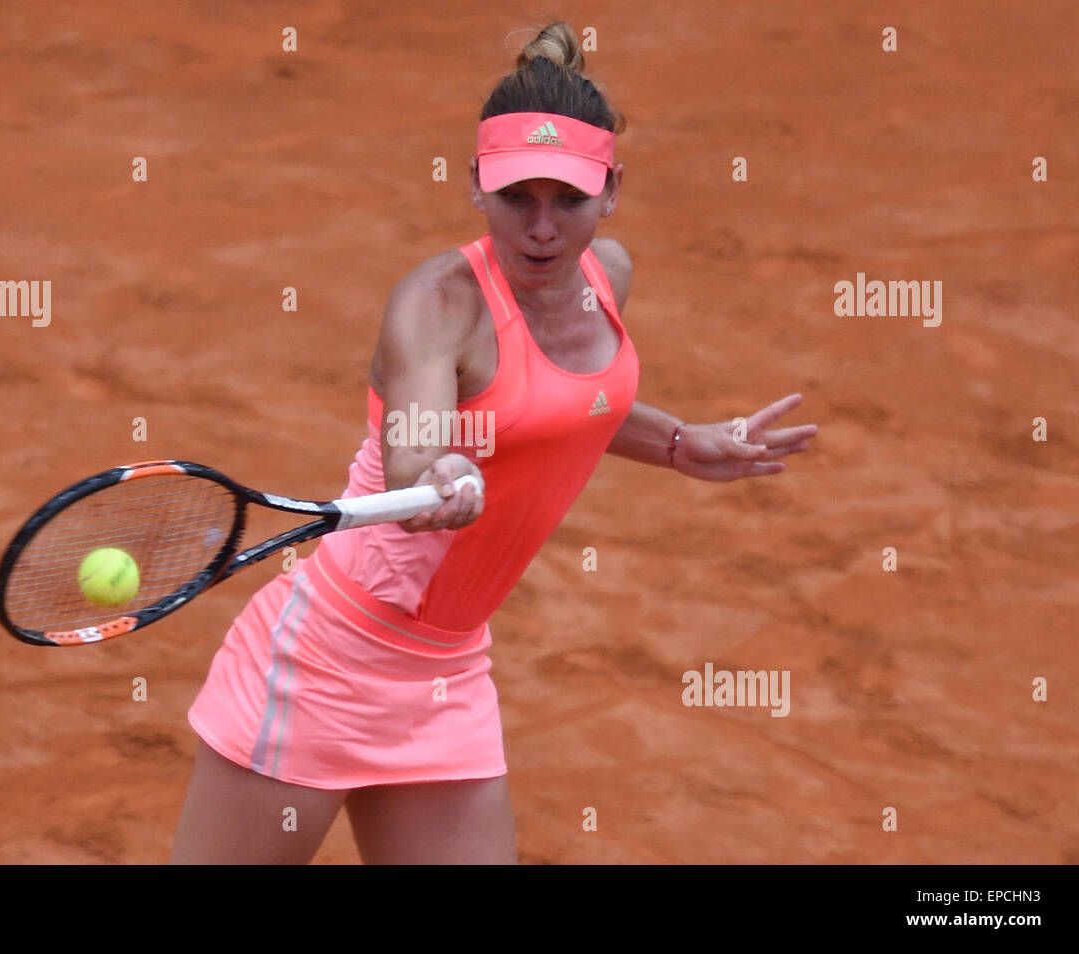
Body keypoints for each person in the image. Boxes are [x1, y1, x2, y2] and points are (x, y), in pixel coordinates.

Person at [172, 21, 818, 865]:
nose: (542, 228)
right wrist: (436, 470)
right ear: (477, 186)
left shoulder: (605, 278)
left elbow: (564, 404)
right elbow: (410, 452)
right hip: (327, 664)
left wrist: (675, 442)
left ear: (611, 191)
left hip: (447, 674)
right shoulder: (436, 305)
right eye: (517, 197)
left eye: (568, 200)